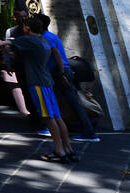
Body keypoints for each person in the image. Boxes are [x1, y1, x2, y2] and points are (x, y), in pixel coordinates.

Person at [0, 19, 77, 162]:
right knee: (57, 116)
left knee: (48, 118)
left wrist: (1, 44)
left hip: (38, 83)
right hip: (47, 81)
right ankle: (68, 148)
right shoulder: (43, 41)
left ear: (28, 28)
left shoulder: (30, 40)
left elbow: (7, 43)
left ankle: (59, 151)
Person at [35, 14, 100, 143]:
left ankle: (88, 132)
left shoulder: (47, 38)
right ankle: (57, 127)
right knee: (61, 101)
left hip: (59, 73)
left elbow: (56, 56)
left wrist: (61, 74)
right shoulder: (50, 36)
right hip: (60, 72)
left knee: (69, 102)